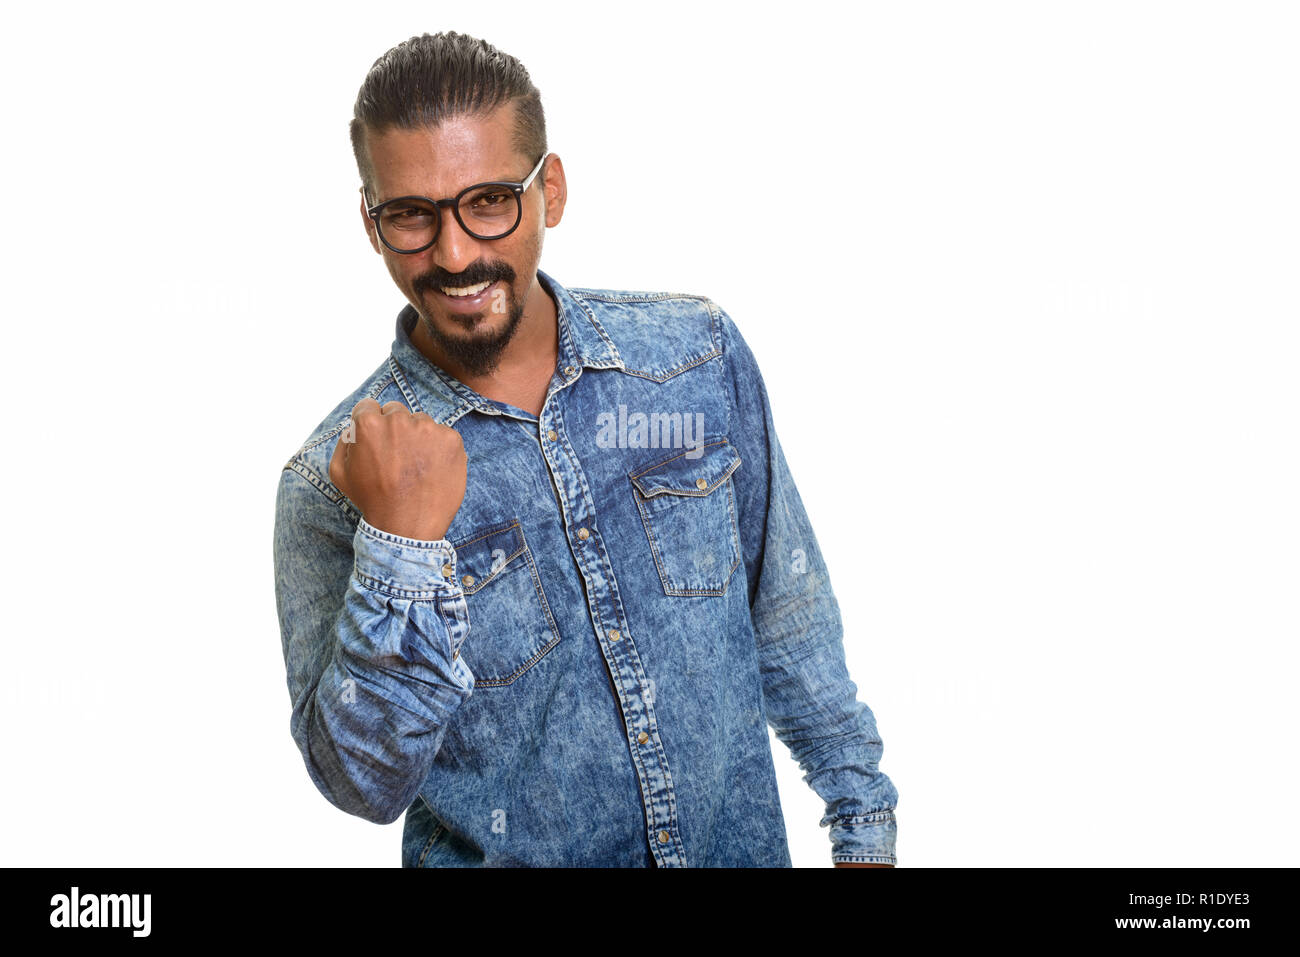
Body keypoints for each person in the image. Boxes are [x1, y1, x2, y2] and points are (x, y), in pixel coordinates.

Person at [272, 30, 898, 868]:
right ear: (370, 222)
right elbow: (363, 784)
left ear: (550, 190)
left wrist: (864, 833)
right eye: (412, 216)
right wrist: (401, 548)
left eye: (488, 199)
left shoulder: (692, 360)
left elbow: (787, 622)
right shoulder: (329, 483)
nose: (455, 254)